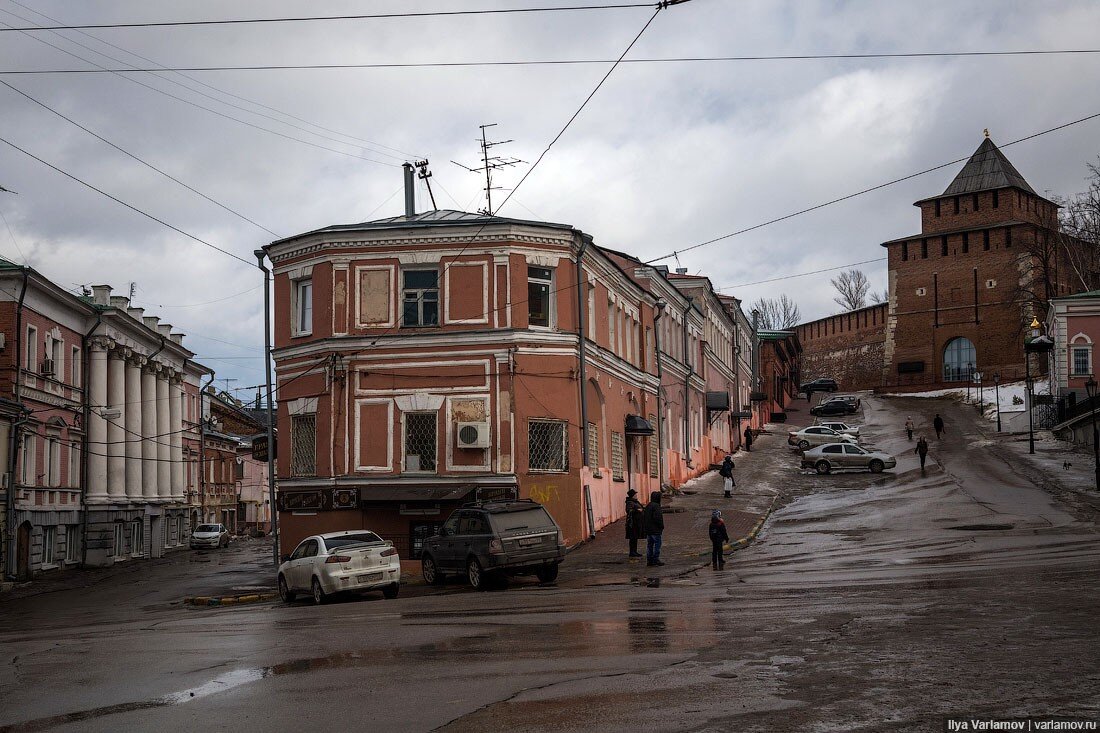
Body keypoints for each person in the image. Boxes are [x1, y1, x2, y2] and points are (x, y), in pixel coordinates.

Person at [642, 490, 665, 567]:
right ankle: (656, 560)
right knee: (657, 545)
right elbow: (658, 518)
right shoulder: (656, 506)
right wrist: (661, 526)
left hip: (649, 530)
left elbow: (645, 517)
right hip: (655, 530)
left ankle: (649, 560)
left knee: (649, 545)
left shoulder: (648, 506)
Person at [624, 489, 644, 558]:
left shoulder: (635, 501)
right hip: (632, 523)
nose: (636, 495)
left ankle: (634, 551)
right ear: (632, 495)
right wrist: (637, 510)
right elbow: (628, 510)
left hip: (636, 522)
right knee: (633, 538)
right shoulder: (630, 502)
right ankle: (632, 552)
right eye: (635, 494)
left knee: (635, 537)